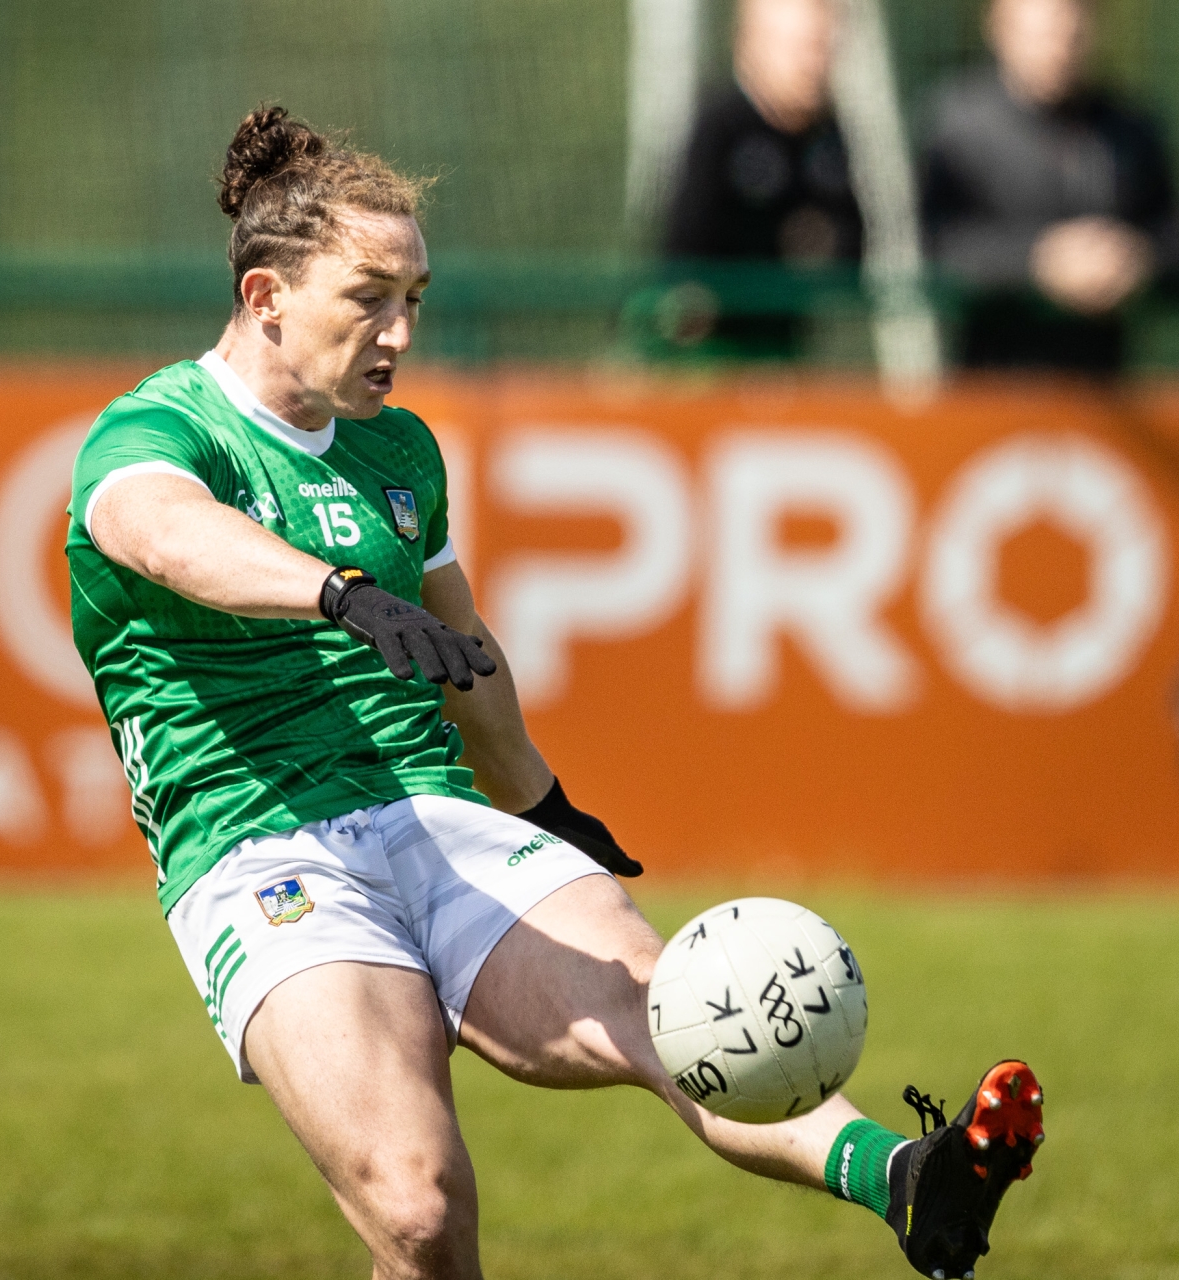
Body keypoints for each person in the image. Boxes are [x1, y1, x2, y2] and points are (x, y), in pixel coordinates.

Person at [66, 105, 1045, 1280]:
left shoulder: (398, 453)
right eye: (368, 298)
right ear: (268, 297)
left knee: (668, 1001)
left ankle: (905, 1179)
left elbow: (463, 648)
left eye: (414, 300)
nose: (399, 332)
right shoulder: (162, 426)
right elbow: (157, 531)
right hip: (260, 850)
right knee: (419, 1209)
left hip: (435, 817)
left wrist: (540, 805)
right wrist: (332, 593)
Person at [920, 0, 1178, 374]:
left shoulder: (1129, 130)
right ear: (1001, 28)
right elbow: (934, 240)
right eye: (1044, 33)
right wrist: (1038, 261)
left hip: (1104, 386)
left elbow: (1177, 232)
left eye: (1072, 33)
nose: (1059, 47)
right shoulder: (956, 126)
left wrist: (1137, 255)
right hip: (992, 384)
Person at [661, 0, 863, 357]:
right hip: (703, 356)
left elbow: (848, 248)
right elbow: (683, 255)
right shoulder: (720, 126)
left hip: (784, 352)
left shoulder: (830, 137)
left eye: (823, 48)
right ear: (751, 45)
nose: (813, 64)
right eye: (801, 48)